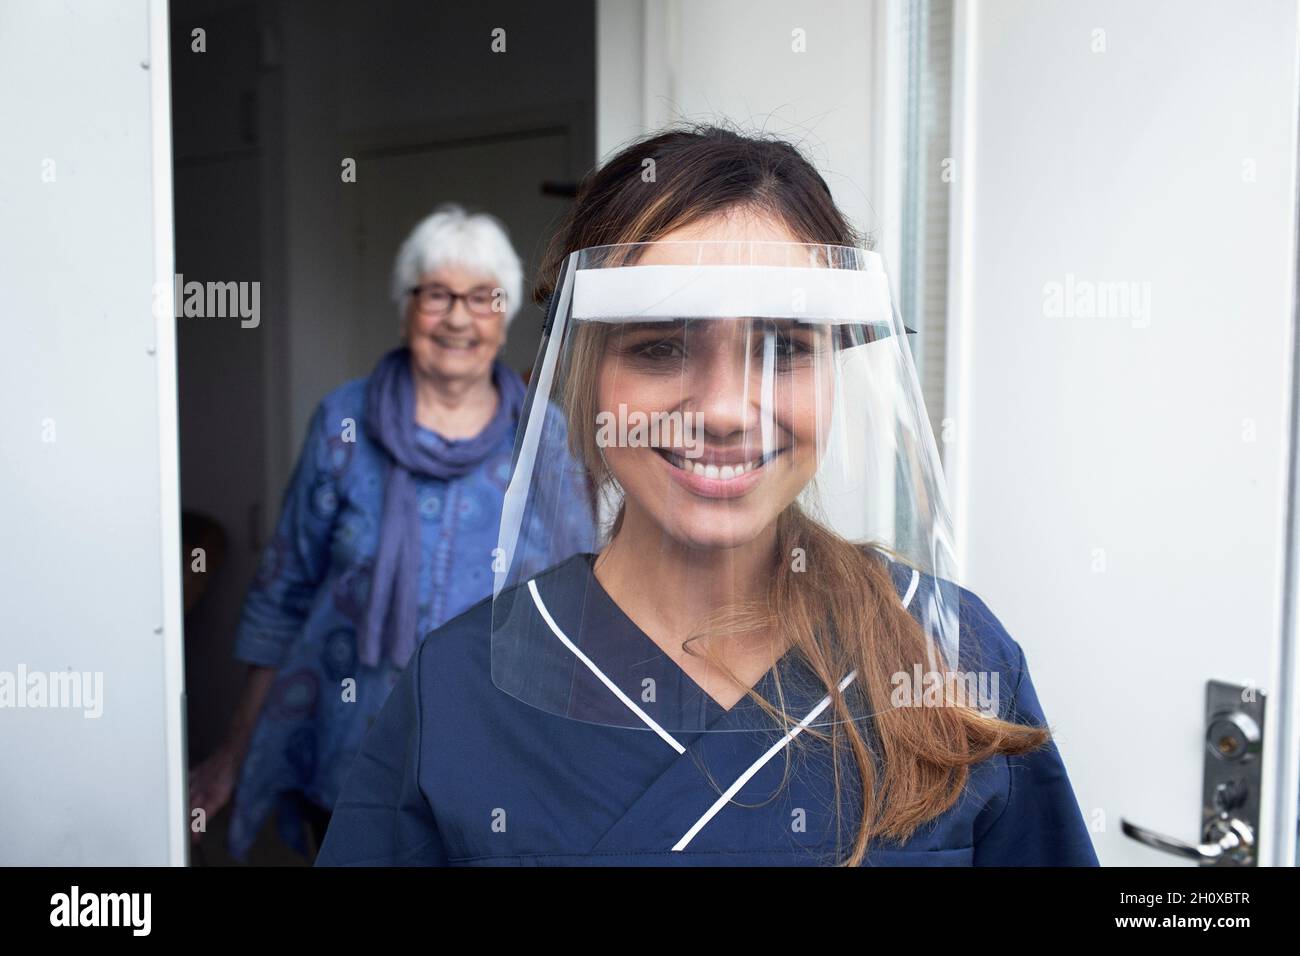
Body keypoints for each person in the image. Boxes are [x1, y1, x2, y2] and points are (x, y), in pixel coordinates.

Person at [315, 127, 1099, 866]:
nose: (724, 410)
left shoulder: (949, 655)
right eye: (661, 346)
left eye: (784, 347)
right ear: (583, 374)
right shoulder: (459, 688)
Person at [188, 203, 592, 861]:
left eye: (482, 297)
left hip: (493, 754)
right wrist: (233, 752)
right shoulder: (343, 423)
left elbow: (579, 606)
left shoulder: (542, 435)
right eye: (437, 295)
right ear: (406, 307)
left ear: (506, 313)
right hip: (346, 747)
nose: (458, 318)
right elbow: (283, 594)